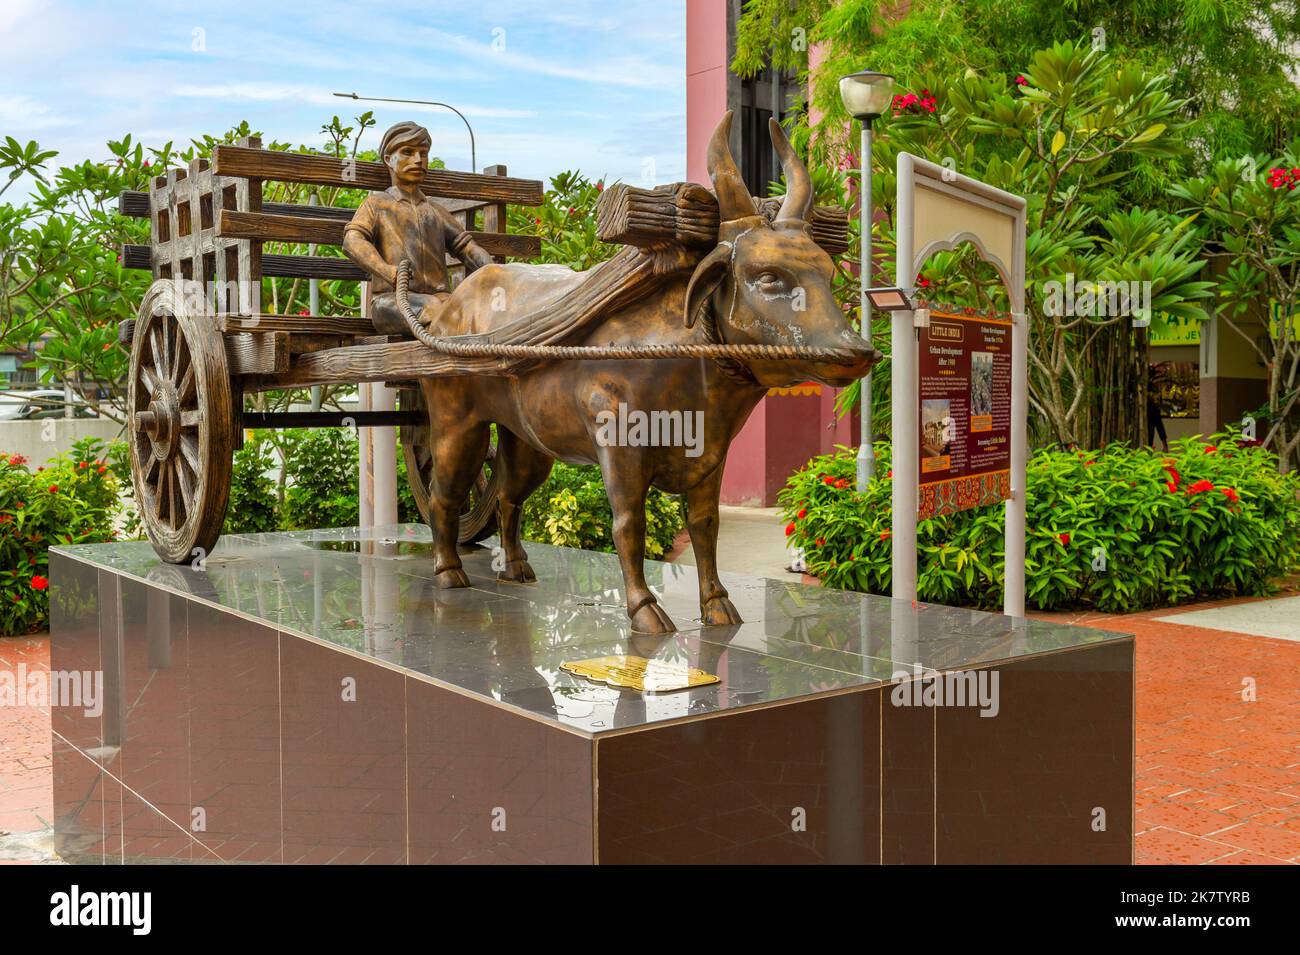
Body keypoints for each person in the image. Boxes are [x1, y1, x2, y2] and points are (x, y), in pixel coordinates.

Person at [342, 121, 494, 334]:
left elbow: (468, 248)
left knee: (473, 310)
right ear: (389, 159)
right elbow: (352, 241)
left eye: (423, 153)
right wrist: (388, 272)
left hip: (440, 300)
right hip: (392, 302)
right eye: (407, 152)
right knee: (435, 309)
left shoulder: (436, 211)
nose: (418, 160)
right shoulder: (376, 205)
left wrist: (497, 273)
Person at [1147, 363, 1168, 452]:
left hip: (1148, 443)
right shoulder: (1133, 407)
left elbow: (1159, 426)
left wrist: (1165, 446)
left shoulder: (1153, 407)